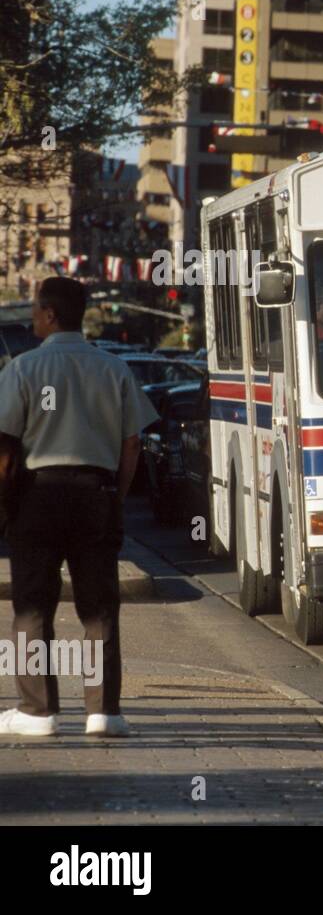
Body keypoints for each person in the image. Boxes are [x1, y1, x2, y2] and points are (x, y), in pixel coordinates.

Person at [0, 277, 158, 737]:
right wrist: (116, 494)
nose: (32, 317)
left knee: (31, 606)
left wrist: (6, 505)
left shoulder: (22, 369)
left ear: (49, 315)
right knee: (99, 607)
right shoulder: (114, 369)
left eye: (34, 310)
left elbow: (5, 448)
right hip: (96, 494)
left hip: (36, 496)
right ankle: (103, 711)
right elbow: (132, 444)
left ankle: (38, 712)